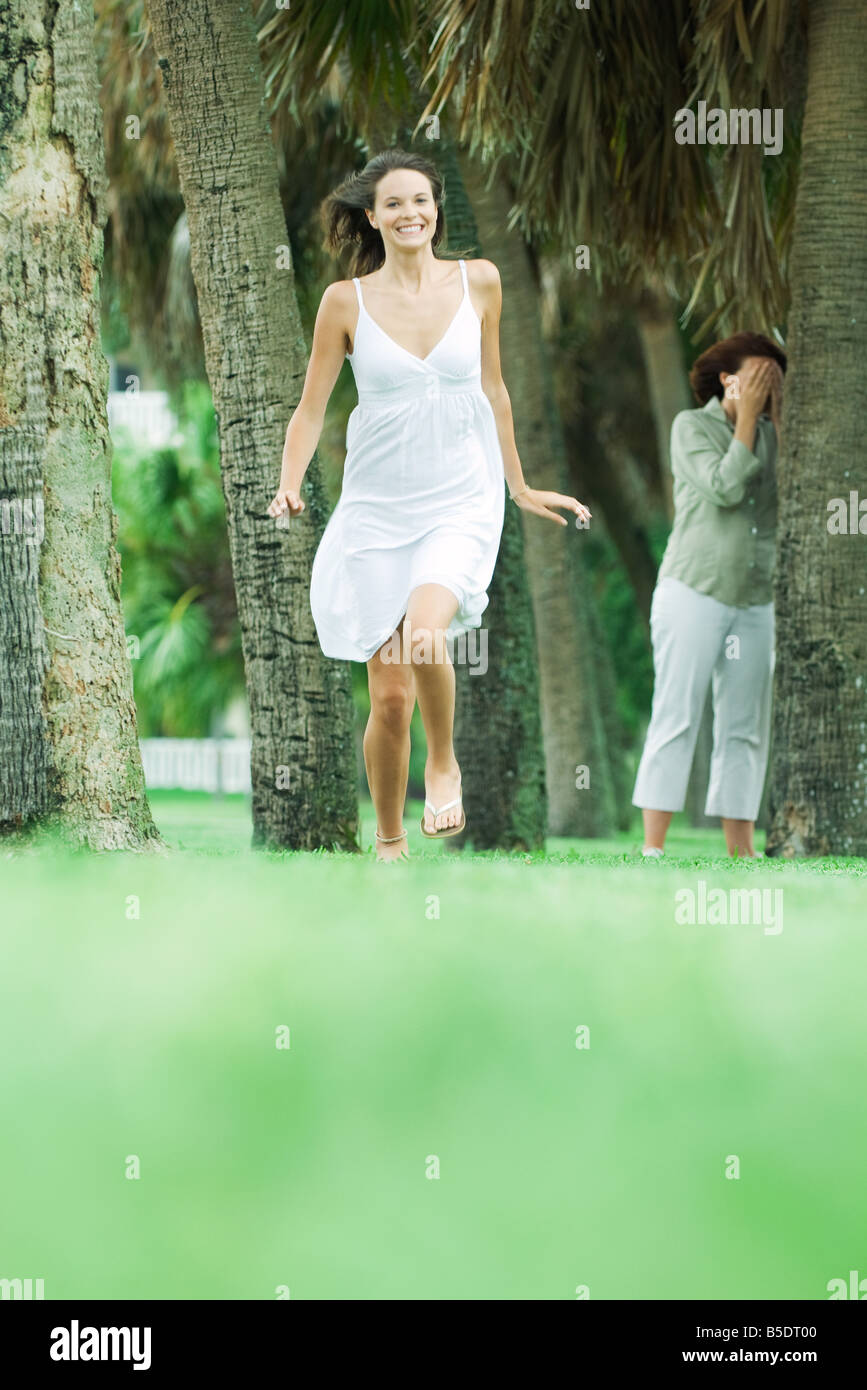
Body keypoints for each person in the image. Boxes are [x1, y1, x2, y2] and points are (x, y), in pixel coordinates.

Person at [268, 150, 590, 860]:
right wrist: (290, 483)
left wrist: (518, 485)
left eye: (421, 200)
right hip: (377, 507)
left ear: (435, 209)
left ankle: (442, 764)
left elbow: (494, 390)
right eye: (394, 204)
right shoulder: (343, 302)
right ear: (372, 217)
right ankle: (388, 841)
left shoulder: (479, 281)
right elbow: (310, 410)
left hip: (459, 498)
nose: (410, 213)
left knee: (425, 634)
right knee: (388, 699)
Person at [632, 331, 786, 859]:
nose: (768, 390)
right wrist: (746, 422)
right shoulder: (690, 427)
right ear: (728, 380)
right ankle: (653, 847)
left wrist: (777, 421)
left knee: (745, 726)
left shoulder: (773, 434)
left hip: (754, 598)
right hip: (692, 591)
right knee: (677, 714)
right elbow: (724, 486)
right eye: (760, 378)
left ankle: (740, 852)